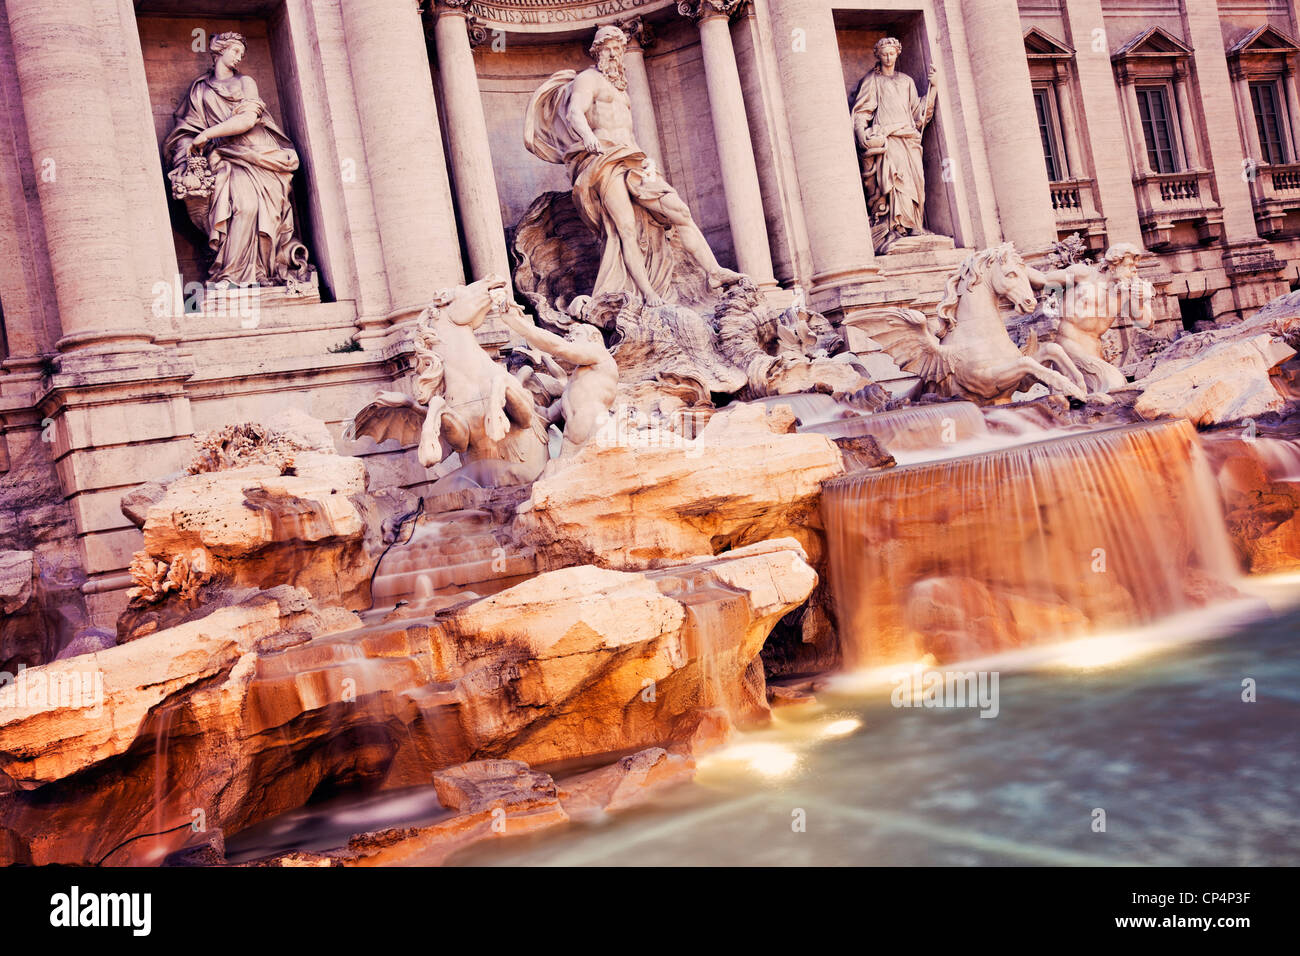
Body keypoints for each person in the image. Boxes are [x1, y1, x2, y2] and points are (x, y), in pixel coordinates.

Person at [524, 25, 744, 307]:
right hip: (605, 159)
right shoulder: (588, 79)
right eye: (609, 49)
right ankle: (647, 293)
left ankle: (713, 272)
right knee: (625, 228)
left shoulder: (621, 88)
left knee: (679, 210)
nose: (615, 55)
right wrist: (589, 137)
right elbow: (574, 112)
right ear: (597, 52)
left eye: (619, 49)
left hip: (637, 159)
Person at [163, 32, 306, 287]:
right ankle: (231, 274)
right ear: (219, 51)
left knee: (256, 209)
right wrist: (187, 156)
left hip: (258, 154)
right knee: (241, 207)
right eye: (235, 51)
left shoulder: (246, 82)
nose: (239, 57)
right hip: (223, 157)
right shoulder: (199, 90)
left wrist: (207, 134)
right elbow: (186, 131)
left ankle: (262, 271)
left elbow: (248, 120)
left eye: (242, 52)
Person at [1028, 243, 1155, 393]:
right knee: (1114, 384)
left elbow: (1146, 323)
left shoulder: (1126, 292)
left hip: (1095, 354)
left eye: (1135, 266)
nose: (1134, 270)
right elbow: (1043, 281)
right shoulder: (1084, 275)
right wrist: (1017, 268)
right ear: (1113, 265)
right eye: (1129, 266)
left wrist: (1140, 299)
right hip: (1068, 348)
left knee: (1108, 394)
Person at [851, 37, 938, 253]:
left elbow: (919, 113)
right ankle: (896, 226)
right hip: (888, 138)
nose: (889, 57)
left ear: (897, 54)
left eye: (892, 53)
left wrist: (934, 88)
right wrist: (860, 131)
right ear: (878, 56)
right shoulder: (873, 80)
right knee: (895, 182)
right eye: (884, 54)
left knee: (915, 183)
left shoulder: (906, 81)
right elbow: (863, 110)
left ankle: (914, 225)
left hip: (909, 138)